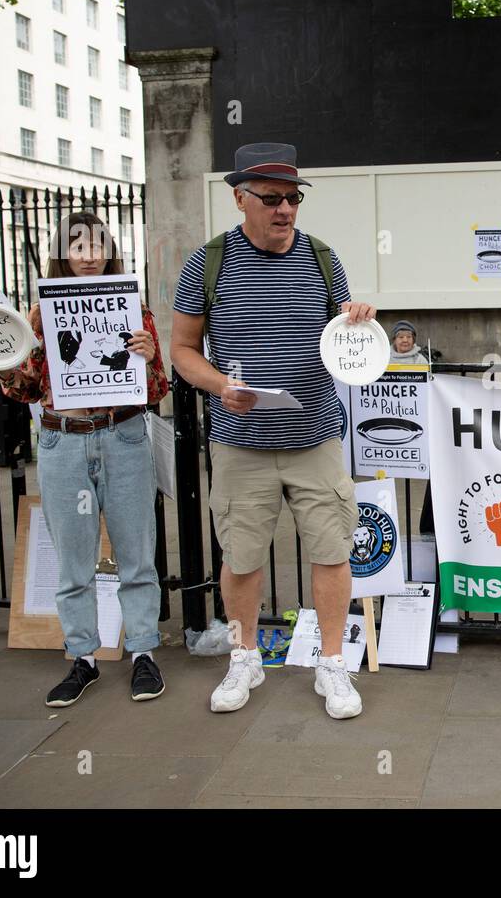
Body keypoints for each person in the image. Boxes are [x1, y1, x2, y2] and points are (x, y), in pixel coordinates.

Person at [169, 142, 376, 720]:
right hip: (241, 443)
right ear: (240, 198)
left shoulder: (321, 257)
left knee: (333, 552)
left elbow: (346, 336)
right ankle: (245, 655)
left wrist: (359, 319)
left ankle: (332, 665)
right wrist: (218, 387)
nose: (285, 210)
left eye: (293, 198)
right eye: (272, 199)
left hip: (315, 436)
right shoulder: (206, 263)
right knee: (240, 557)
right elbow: (181, 349)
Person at [0, 211, 169, 706]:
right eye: (78, 246)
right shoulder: (37, 316)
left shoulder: (134, 312)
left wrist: (148, 356)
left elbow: (157, 388)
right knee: (73, 562)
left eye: (98, 244)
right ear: (62, 254)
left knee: (137, 552)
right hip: (62, 440)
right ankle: (83, 659)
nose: (90, 254)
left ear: (111, 251)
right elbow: (27, 386)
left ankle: (143, 654)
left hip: (123, 435)